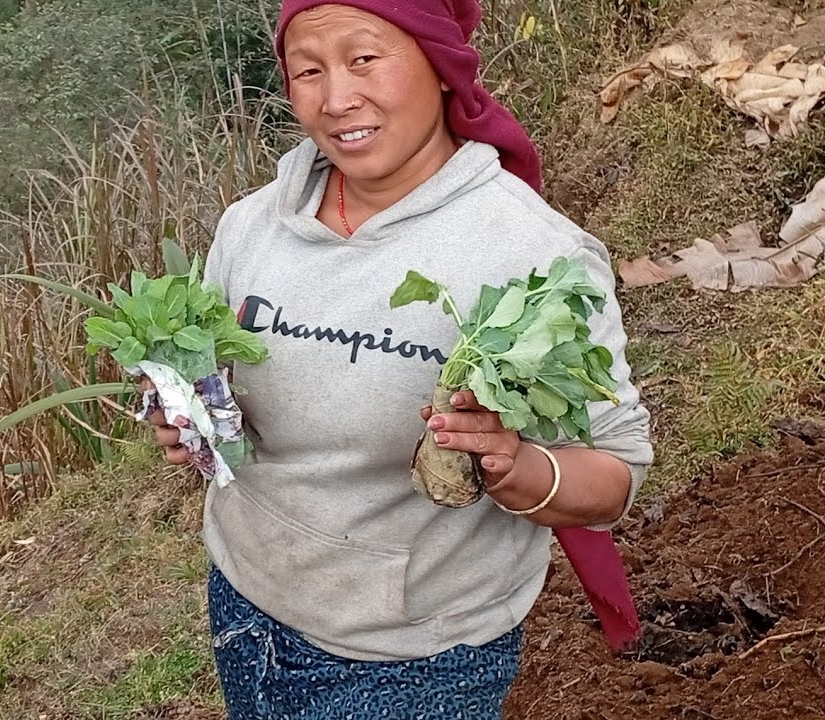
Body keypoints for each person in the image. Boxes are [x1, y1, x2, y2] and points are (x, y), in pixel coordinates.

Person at [146, 1, 654, 718]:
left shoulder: (529, 252)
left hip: (416, 656)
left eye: (364, 59)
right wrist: (193, 413)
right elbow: (221, 391)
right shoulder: (250, 226)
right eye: (308, 71)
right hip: (246, 596)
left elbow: (617, 472)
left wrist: (515, 466)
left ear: (440, 65)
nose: (337, 98)